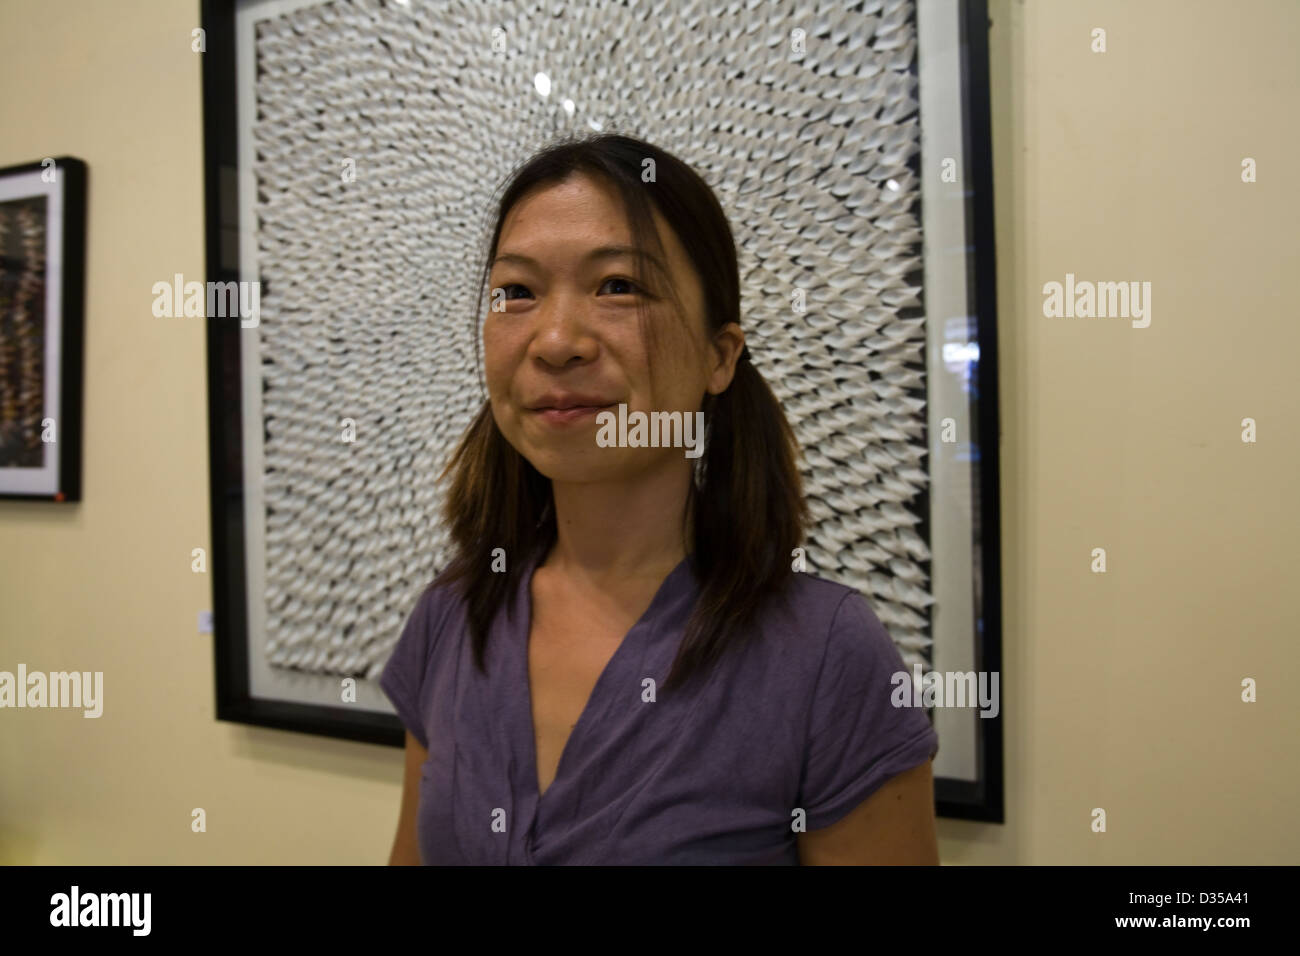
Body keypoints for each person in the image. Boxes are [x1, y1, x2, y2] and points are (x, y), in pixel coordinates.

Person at [381, 132, 939, 865]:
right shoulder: (452, 619)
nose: (555, 341)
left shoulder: (826, 657)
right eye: (516, 292)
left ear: (719, 355)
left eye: (618, 285)